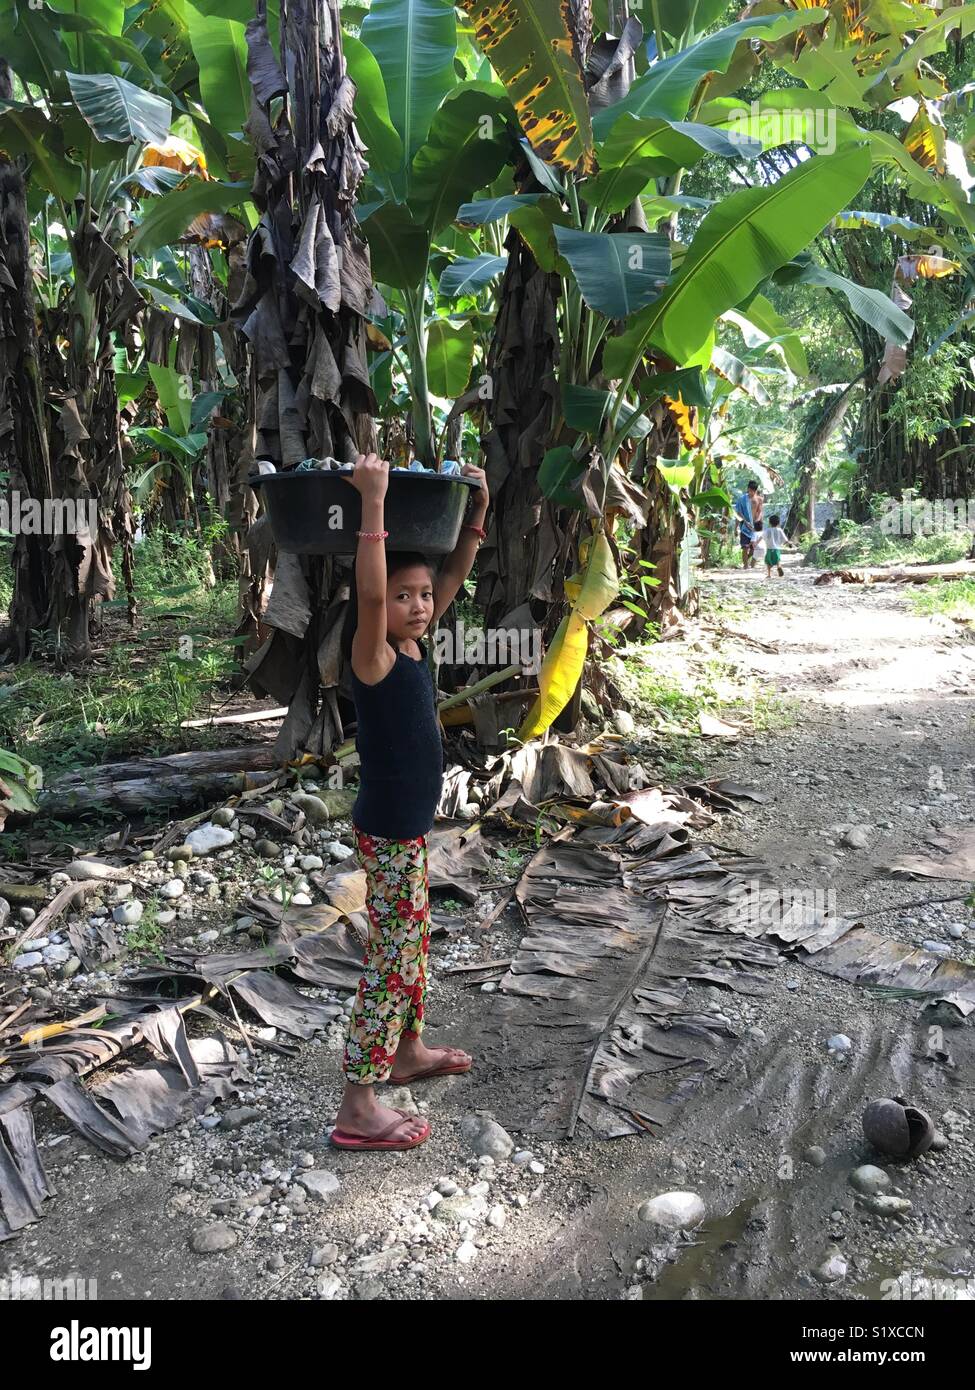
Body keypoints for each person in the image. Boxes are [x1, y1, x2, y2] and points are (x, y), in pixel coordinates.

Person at [329, 452, 489, 1152]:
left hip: (409, 834)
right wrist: (373, 501)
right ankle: (357, 1104)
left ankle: (406, 1052)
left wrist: (476, 511)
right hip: (389, 834)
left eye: (422, 595)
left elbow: (451, 573)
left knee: (412, 946)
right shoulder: (375, 654)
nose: (419, 605)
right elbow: (368, 598)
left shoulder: (415, 645)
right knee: (391, 961)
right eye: (405, 596)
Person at [733, 480, 762, 567]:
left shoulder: (759, 500)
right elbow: (738, 514)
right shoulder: (742, 500)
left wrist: (757, 526)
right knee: (745, 547)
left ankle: (746, 561)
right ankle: (745, 565)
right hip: (745, 528)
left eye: (754, 491)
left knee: (753, 549)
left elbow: (760, 513)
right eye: (750, 491)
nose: (752, 493)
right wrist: (736, 528)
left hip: (755, 529)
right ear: (748, 489)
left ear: (756, 491)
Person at [762, 513, 793, 579]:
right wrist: (789, 543)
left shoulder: (767, 530)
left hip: (769, 548)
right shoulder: (780, 530)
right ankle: (779, 567)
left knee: (768, 562)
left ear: (769, 523)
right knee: (778, 560)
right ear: (778, 523)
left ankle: (769, 574)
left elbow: (763, 537)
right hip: (777, 549)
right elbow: (785, 539)